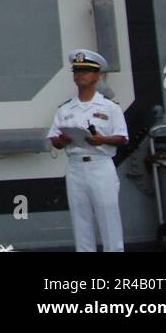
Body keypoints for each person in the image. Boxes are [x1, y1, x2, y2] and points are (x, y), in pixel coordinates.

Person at [47, 49, 128, 252]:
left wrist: (101, 139)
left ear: (97, 76)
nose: (80, 75)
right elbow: (55, 141)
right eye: (77, 71)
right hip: (75, 167)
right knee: (80, 220)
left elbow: (121, 138)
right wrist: (64, 140)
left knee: (108, 219)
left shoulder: (110, 108)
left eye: (85, 71)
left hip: (100, 165)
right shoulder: (65, 109)